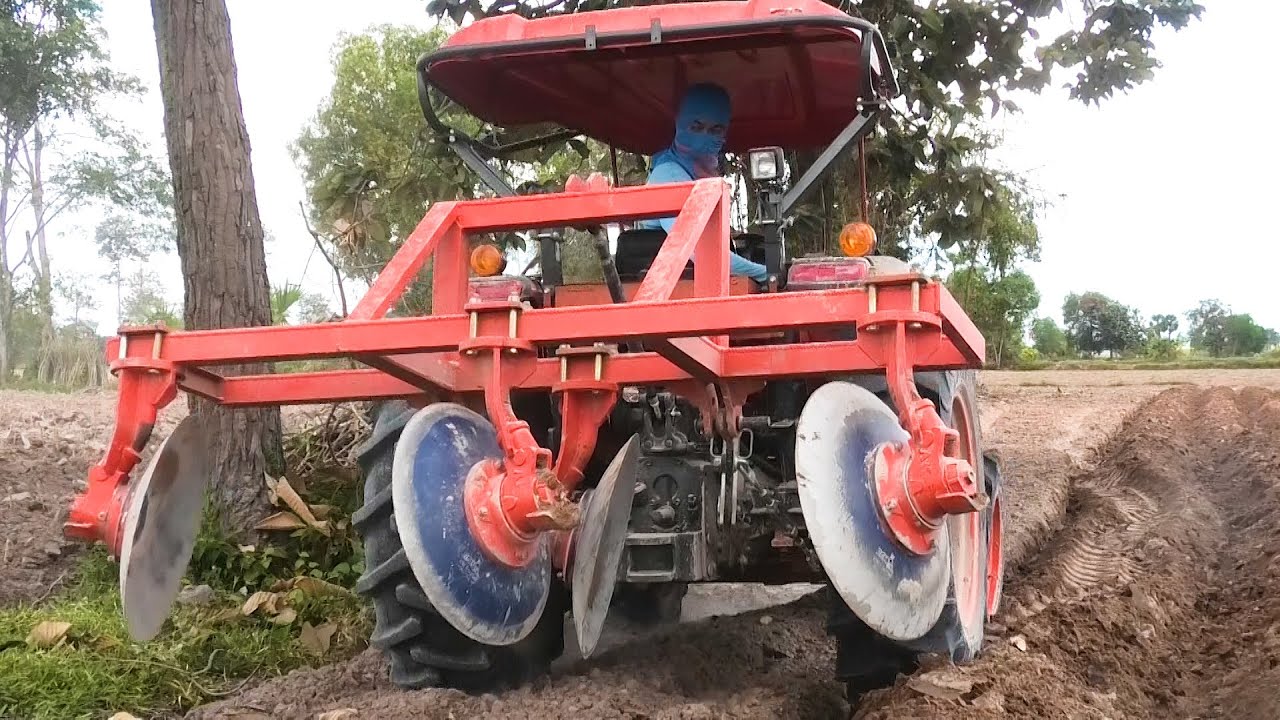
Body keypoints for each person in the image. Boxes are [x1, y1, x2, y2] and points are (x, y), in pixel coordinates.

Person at [637, 83, 769, 282]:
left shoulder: (698, 175)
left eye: (716, 129)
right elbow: (699, 252)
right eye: (696, 127)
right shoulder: (669, 175)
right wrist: (765, 274)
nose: (705, 136)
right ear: (679, 124)